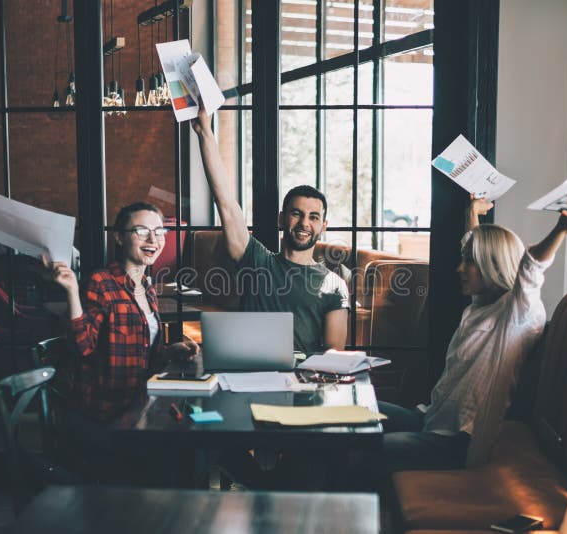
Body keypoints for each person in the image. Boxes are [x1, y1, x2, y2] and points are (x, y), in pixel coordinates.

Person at [359, 195, 567, 486]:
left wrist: (562, 227)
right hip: (430, 420)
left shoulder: (517, 312)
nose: (459, 268)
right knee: (357, 409)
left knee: (362, 448)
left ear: (492, 264)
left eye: (468, 262)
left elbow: (531, 268)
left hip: (455, 443)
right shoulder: (478, 304)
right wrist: (472, 212)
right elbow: (473, 243)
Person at [191, 106, 349, 355]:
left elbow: (334, 352)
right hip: (246, 372)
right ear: (281, 219)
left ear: (323, 227)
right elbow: (226, 204)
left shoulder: (334, 285)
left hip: (300, 381)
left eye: (313, 217)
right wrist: (205, 133)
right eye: (296, 213)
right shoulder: (257, 260)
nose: (304, 223)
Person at [47, 201, 198, 420]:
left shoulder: (147, 287)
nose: (153, 240)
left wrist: (173, 350)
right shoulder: (101, 282)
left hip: (143, 406)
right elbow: (82, 348)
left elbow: (143, 355)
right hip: (108, 413)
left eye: (159, 232)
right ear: (119, 237)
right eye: (141, 231)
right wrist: (71, 290)